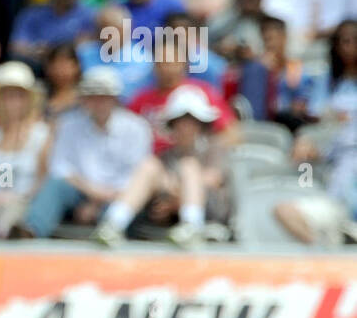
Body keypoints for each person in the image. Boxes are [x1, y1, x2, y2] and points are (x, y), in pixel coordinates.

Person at [13, 67, 152, 237]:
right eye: (93, 96)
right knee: (54, 185)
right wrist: (92, 193)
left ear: (115, 99)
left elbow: (136, 176)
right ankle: (31, 229)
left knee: (127, 203)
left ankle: (112, 228)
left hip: (119, 196)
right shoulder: (68, 124)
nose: (98, 102)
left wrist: (97, 202)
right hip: (80, 191)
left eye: (104, 97)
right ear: (84, 99)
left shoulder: (136, 128)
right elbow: (59, 167)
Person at [93, 85, 229, 249]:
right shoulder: (165, 156)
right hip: (167, 216)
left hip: (210, 212)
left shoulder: (214, 149)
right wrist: (170, 197)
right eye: (180, 123)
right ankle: (113, 224)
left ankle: (192, 226)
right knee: (148, 166)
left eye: (191, 123)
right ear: (172, 125)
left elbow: (212, 179)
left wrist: (177, 200)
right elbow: (157, 188)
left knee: (188, 166)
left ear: (201, 125)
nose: (185, 128)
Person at [0, 61, 49, 238]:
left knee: (9, 221)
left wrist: (17, 198)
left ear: (29, 100)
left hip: (25, 202)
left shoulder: (41, 135)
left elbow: (43, 179)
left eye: (18, 96)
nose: (12, 102)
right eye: (7, 96)